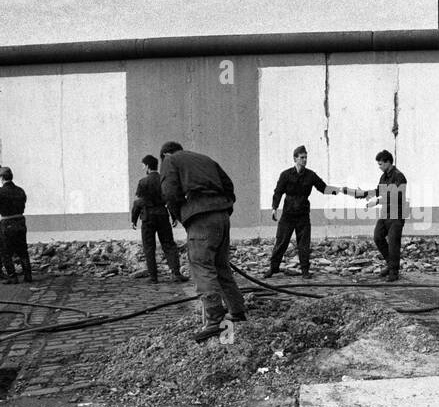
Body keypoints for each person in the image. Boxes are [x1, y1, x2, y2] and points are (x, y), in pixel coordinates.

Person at [158, 141, 247, 342]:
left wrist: (181, 215)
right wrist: (223, 209)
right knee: (220, 266)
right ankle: (237, 311)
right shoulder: (205, 159)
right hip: (222, 216)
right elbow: (228, 186)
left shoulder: (169, 160)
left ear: (165, 154)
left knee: (201, 266)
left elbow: (169, 193)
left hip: (201, 218)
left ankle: (215, 319)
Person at [265, 145, 342, 279]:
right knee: (281, 242)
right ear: (295, 159)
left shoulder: (310, 175)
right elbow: (278, 192)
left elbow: (323, 188)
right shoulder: (286, 174)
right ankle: (273, 268)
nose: (305, 160)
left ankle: (305, 271)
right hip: (288, 214)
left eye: (306, 157)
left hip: (303, 215)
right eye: (302, 157)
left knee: (304, 244)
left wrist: (340, 190)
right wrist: (274, 208)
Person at [341, 150, 407, 282]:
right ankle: (390, 264)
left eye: (381, 164)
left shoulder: (399, 177)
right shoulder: (383, 177)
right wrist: (360, 194)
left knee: (394, 242)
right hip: (385, 214)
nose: (379, 167)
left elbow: (396, 196)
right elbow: (379, 191)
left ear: (388, 162)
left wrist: (377, 201)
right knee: (378, 237)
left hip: (397, 215)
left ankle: (394, 272)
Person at [132, 154, 188, 284]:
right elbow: (170, 199)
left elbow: (139, 202)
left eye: (143, 165)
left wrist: (133, 219)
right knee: (169, 245)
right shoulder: (163, 180)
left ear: (147, 166)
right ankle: (176, 273)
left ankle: (153, 277)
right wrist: (174, 216)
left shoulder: (143, 182)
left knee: (149, 247)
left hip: (147, 217)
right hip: (163, 215)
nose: (143, 168)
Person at [0, 166, 33, 284]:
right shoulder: (20, 190)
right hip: (20, 221)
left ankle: (12, 277)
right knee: (22, 250)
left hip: (7, 223)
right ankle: (28, 276)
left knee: (5, 251)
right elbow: (22, 206)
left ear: (2, 177)